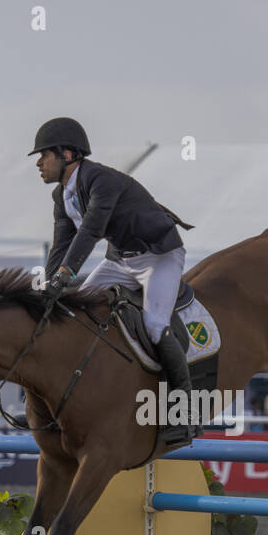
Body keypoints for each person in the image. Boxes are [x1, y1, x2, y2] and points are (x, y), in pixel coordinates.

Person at [31, 117, 195, 446]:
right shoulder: (61, 196)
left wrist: (65, 276)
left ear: (67, 154)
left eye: (44, 155)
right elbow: (61, 245)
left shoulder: (100, 179)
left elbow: (91, 230)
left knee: (153, 325)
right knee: (74, 313)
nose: (38, 163)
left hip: (159, 258)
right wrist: (51, 289)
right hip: (120, 260)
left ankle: (182, 413)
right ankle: (46, 407)